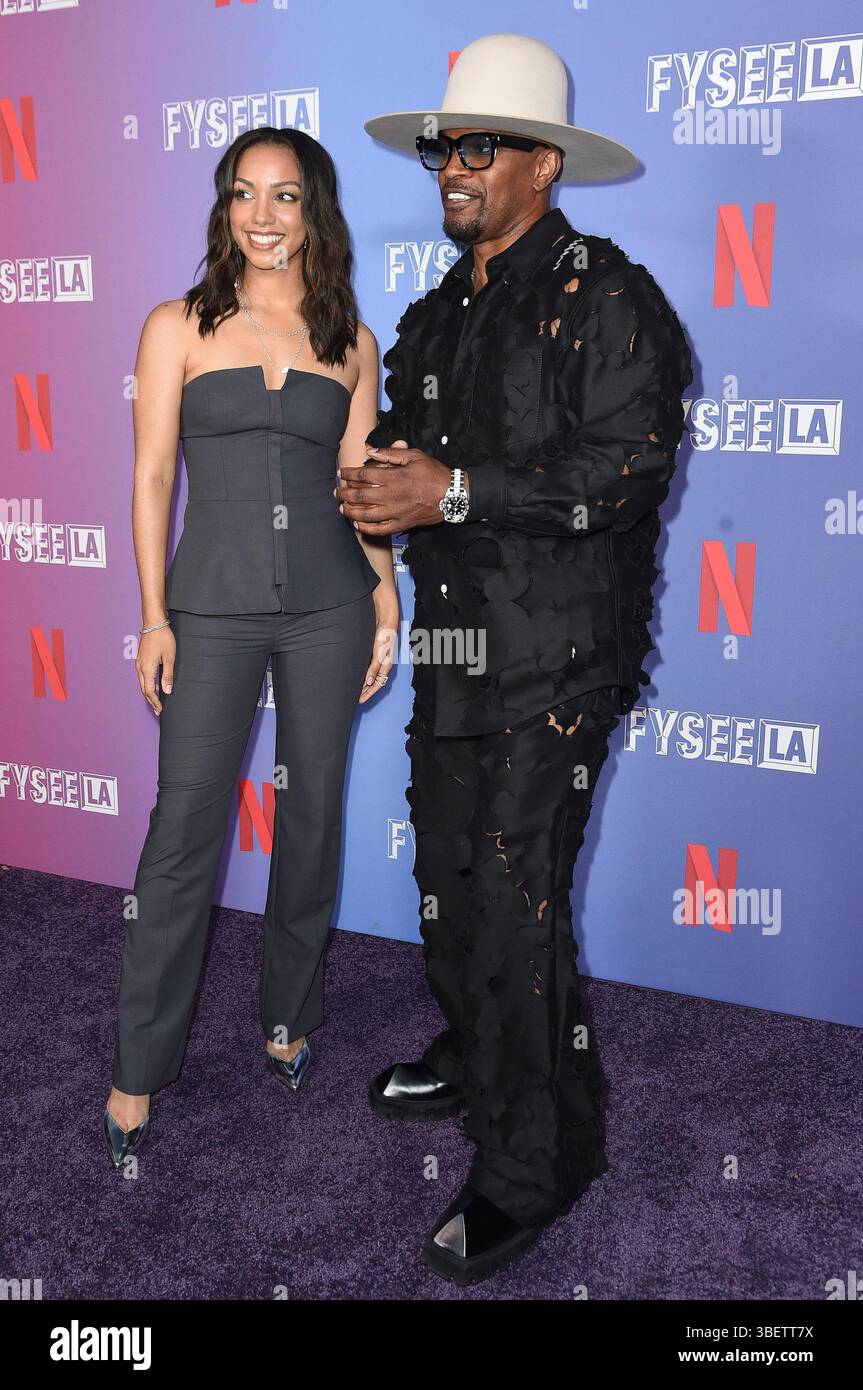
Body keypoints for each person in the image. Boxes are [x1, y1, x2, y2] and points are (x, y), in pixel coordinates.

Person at [339, 34, 693, 1284]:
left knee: (511, 904)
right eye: (442, 145)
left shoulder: (610, 298)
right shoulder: (440, 307)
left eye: (476, 145)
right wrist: (370, 478)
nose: (450, 164)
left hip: (556, 663)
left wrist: (450, 490)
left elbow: (622, 475)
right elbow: (409, 456)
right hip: (453, 643)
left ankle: (536, 1163)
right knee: (445, 862)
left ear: (542, 164)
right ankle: (479, 1044)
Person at [103, 127, 398, 1169]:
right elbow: (150, 481)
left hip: (327, 605)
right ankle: (138, 1064)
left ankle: (288, 1013)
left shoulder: (351, 339)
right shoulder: (176, 324)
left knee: (310, 812)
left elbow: (361, 484)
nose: (262, 217)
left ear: (314, 208)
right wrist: (153, 613)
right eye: (243, 195)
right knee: (184, 828)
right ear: (223, 208)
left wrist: (385, 600)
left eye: (283, 196)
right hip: (211, 611)